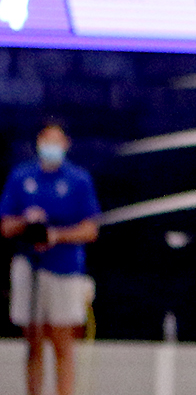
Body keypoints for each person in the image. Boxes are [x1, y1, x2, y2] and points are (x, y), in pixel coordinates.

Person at [1, 120, 100, 395]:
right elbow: (6, 225)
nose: (51, 147)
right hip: (29, 267)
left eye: (57, 142)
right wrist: (27, 222)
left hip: (64, 269)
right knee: (33, 341)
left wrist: (55, 235)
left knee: (62, 342)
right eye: (46, 141)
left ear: (66, 144)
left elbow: (90, 230)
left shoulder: (78, 180)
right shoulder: (22, 176)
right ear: (38, 143)